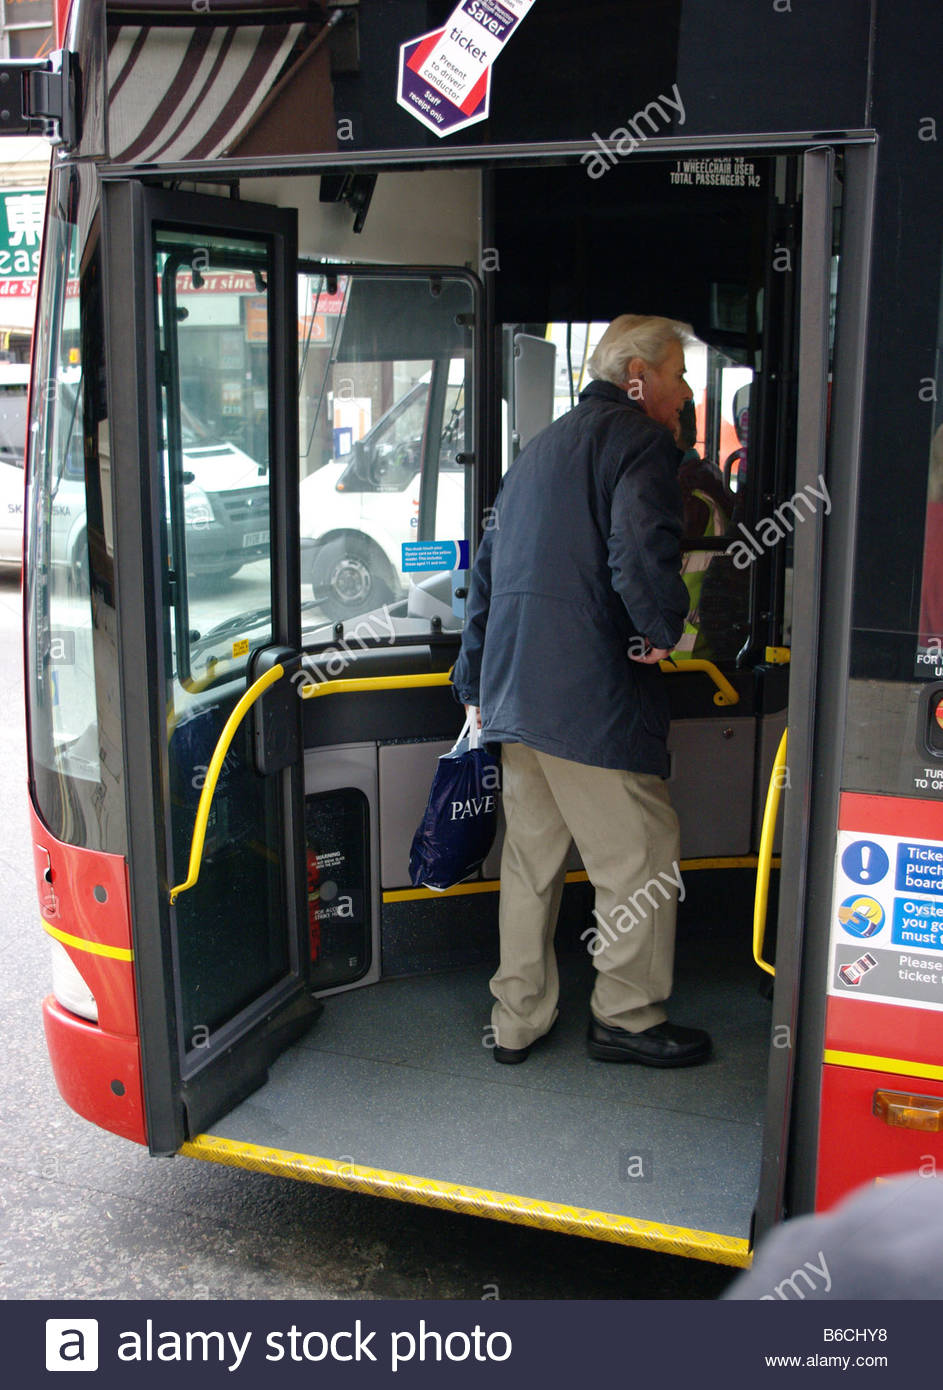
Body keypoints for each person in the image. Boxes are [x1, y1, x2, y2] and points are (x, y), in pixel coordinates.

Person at [451, 314, 712, 1068]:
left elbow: (487, 579)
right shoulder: (639, 443)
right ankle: (627, 1017)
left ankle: (516, 1019)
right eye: (677, 374)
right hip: (587, 699)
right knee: (640, 853)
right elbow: (638, 551)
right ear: (637, 375)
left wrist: (473, 682)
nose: (684, 390)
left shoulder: (536, 452)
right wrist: (662, 630)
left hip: (513, 694)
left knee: (532, 862)